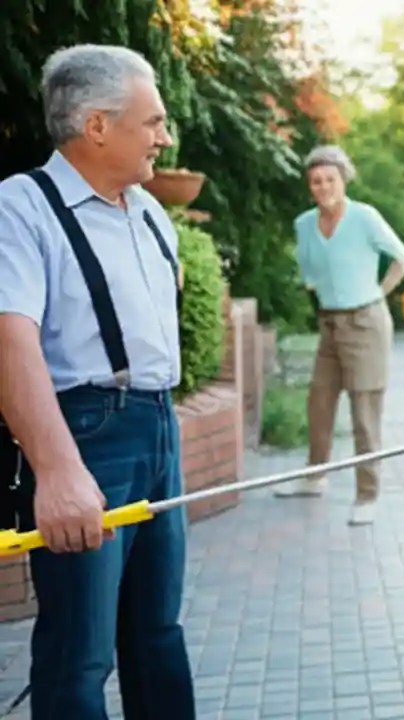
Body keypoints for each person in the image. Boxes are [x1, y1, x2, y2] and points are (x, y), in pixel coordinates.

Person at [0, 45, 195, 719]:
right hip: (87, 434)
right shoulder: (20, 207)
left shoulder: (145, 210)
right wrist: (56, 471)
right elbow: (9, 338)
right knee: (79, 654)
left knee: (158, 634)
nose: (164, 137)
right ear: (98, 125)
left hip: (156, 428)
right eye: (154, 121)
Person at [273, 145, 404, 526]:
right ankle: (315, 477)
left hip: (366, 323)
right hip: (330, 324)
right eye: (316, 181)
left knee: (364, 414)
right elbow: (310, 271)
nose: (322, 186)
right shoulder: (304, 224)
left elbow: (402, 257)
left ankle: (368, 495)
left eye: (329, 179)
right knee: (319, 402)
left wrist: (377, 294)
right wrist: (321, 294)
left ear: (343, 179)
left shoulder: (364, 217)